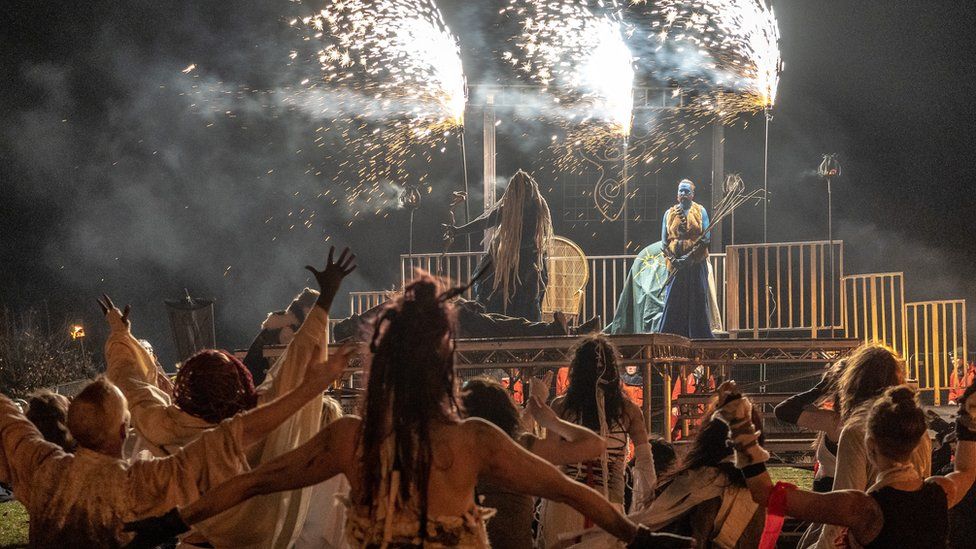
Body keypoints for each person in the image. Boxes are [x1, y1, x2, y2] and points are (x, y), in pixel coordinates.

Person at [124, 274, 691, 549]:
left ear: (383, 366)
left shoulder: (351, 439)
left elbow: (252, 482)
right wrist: (639, 538)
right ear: (441, 367)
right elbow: (571, 490)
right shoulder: (473, 441)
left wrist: (173, 521)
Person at [100, 246, 356, 547]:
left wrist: (120, 332)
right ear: (239, 384)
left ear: (186, 389)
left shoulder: (161, 424)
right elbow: (295, 364)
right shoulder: (252, 423)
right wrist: (326, 296)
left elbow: (129, 379)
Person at [0, 341, 354, 548]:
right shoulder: (137, 484)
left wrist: (119, 334)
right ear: (124, 431)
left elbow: (10, 421)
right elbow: (233, 436)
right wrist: (312, 386)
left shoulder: (41, 466)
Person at [713, 380, 976, 549]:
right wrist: (968, 421)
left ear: (870, 445)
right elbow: (966, 469)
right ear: (918, 440)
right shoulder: (941, 492)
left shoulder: (861, 508)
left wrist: (740, 426)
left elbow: (764, 493)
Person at [538, 335, 657, 548]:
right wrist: (647, 508)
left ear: (577, 369)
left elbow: (549, 459)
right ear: (612, 370)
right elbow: (645, 464)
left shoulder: (560, 407)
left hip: (566, 502)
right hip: (608, 507)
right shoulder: (629, 411)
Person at [461, 376, 606, 549]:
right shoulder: (520, 446)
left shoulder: (453, 451)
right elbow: (594, 445)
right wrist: (552, 421)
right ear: (507, 411)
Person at [812, 344, 931, 548]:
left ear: (854, 381)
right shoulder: (918, 430)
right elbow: (925, 488)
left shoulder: (856, 430)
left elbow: (846, 504)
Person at [445, 170, 553, 321]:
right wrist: (458, 231)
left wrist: (458, 231)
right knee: (520, 298)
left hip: (524, 261)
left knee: (524, 298)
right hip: (522, 260)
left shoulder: (527, 206)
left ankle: (509, 326)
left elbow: (486, 221)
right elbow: (487, 221)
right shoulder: (525, 205)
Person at [773, 360, 846, 493]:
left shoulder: (834, 420)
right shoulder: (841, 418)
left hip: (830, 494)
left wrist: (821, 388)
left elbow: (783, 410)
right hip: (837, 493)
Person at [658, 180, 713, 339]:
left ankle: (699, 334)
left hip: (696, 262)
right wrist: (674, 259)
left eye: (686, 191)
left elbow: (706, 238)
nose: (683, 194)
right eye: (681, 191)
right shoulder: (669, 214)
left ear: (692, 194)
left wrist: (689, 258)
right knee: (674, 299)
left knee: (698, 297)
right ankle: (671, 335)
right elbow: (664, 242)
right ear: (677, 194)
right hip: (675, 263)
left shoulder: (700, 211)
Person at [242, 288, 319, 384]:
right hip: (259, 381)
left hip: (254, 377)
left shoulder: (285, 321)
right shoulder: (288, 329)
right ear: (308, 308)